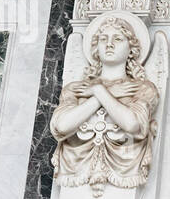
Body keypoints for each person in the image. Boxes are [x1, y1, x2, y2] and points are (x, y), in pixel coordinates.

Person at [50, 16, 158, 189]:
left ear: (131, 49)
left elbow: (132, 124)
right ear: (95, 48)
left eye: (118, 39)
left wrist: (100, 91)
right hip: (74, 169)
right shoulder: (75, 89)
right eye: (103, 39)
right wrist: (101, 93)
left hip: (126, 169)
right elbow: (62, 126)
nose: (109, 44)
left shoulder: (142, 89)